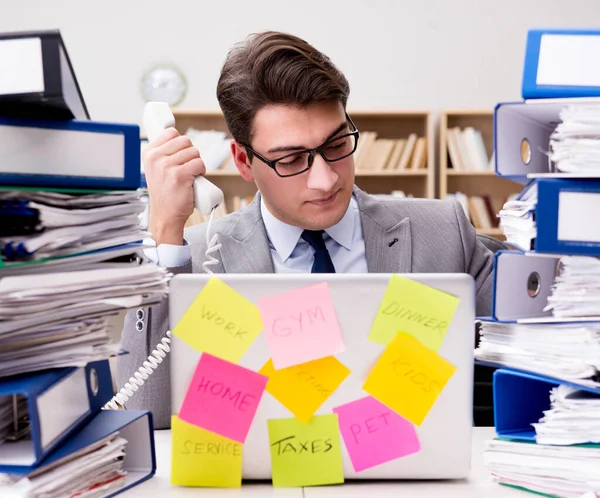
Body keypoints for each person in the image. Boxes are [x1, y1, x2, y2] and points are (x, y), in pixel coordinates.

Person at [118, 31, 495, 429]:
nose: (325, 179)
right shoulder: (194, 261)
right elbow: (144, 418)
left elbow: (526, 381)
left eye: (336, 145)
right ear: (243, 163)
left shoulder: (445, 233)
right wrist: (164, 228)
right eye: (292, 158)